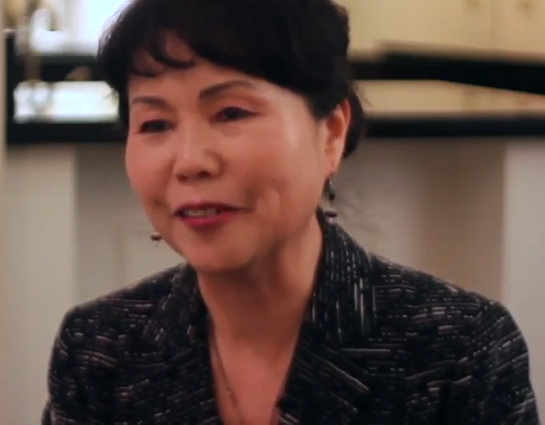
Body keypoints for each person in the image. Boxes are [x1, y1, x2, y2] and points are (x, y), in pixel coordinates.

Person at [42, 0, 539, 423]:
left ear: (332, 132)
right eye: (155, 123)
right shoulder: (98, 352)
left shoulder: (457, 353)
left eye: (231, 113)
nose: (189, 161)